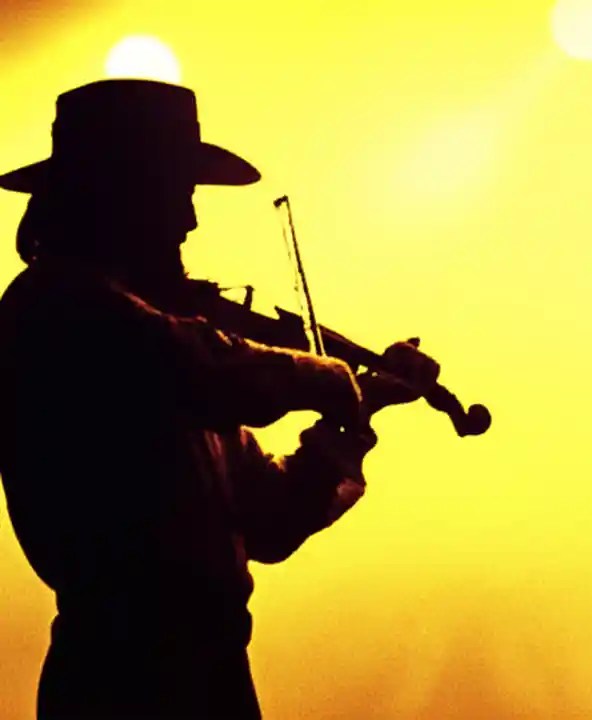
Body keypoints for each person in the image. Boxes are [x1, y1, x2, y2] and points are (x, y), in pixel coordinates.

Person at [0, 78, 438, 718]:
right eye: (173, 195)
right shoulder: (56, 306)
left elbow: (269, 522)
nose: (190, 220)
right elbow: (202, 366)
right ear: (115, 194)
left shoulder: (182, 367)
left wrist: (355, 415)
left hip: (215, 678)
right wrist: (326, 376)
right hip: (118, 679)